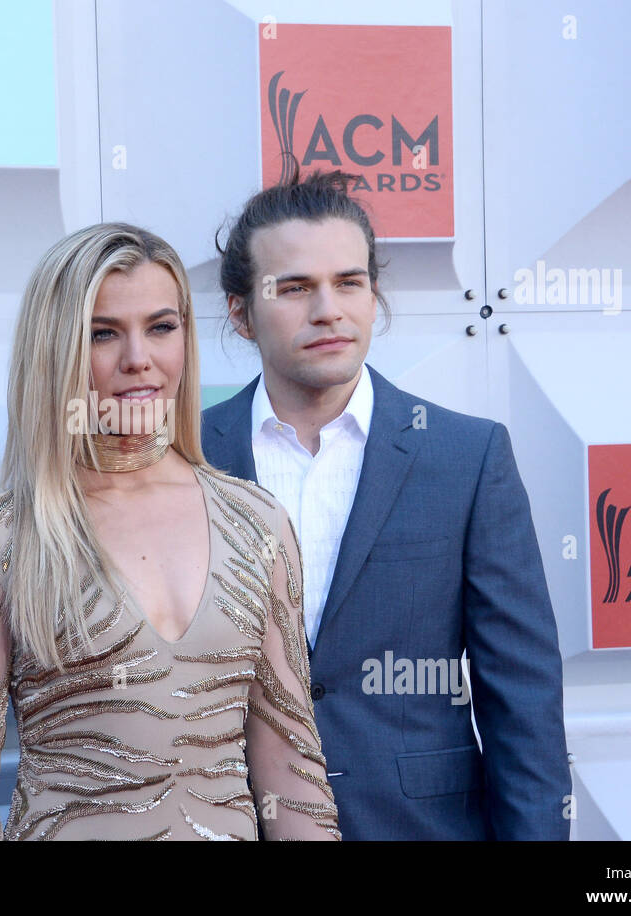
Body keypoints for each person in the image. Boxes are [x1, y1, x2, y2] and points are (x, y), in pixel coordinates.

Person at [0, 222, 339, 840]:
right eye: (103, 333)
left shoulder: (257, 523)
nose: (138, 359)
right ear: (57, 349)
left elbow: (294, 779)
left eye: (161, 327)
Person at [201, 169, 570, 840]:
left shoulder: (467, 457)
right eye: (294, 288)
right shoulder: (187, 457)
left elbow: (523, 699)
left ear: (374, 295)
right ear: (239, 311)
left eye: (349, 282)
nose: (328, 309)